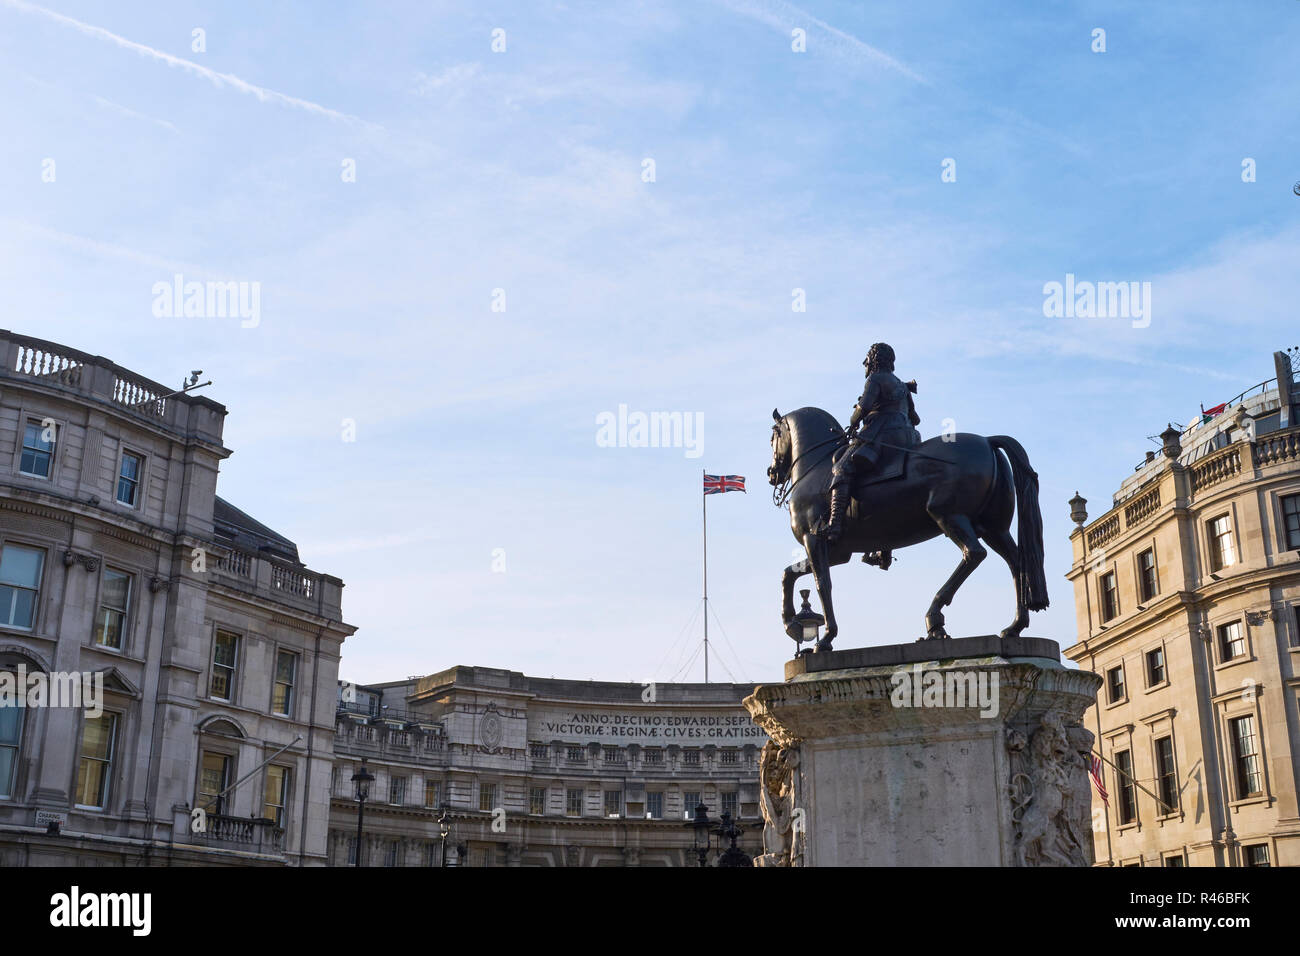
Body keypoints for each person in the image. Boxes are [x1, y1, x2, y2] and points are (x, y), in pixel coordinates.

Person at [825, 342, 921, 561]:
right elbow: (915, 418)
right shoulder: (902, 385)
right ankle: (883, 550)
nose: (865, 364)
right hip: (908, 438)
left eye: (867, 360)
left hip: (883, 435)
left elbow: (863, 409)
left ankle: (834, 526)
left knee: (841, 467)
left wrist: (855, 416)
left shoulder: (875, 380)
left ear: (874, 360)